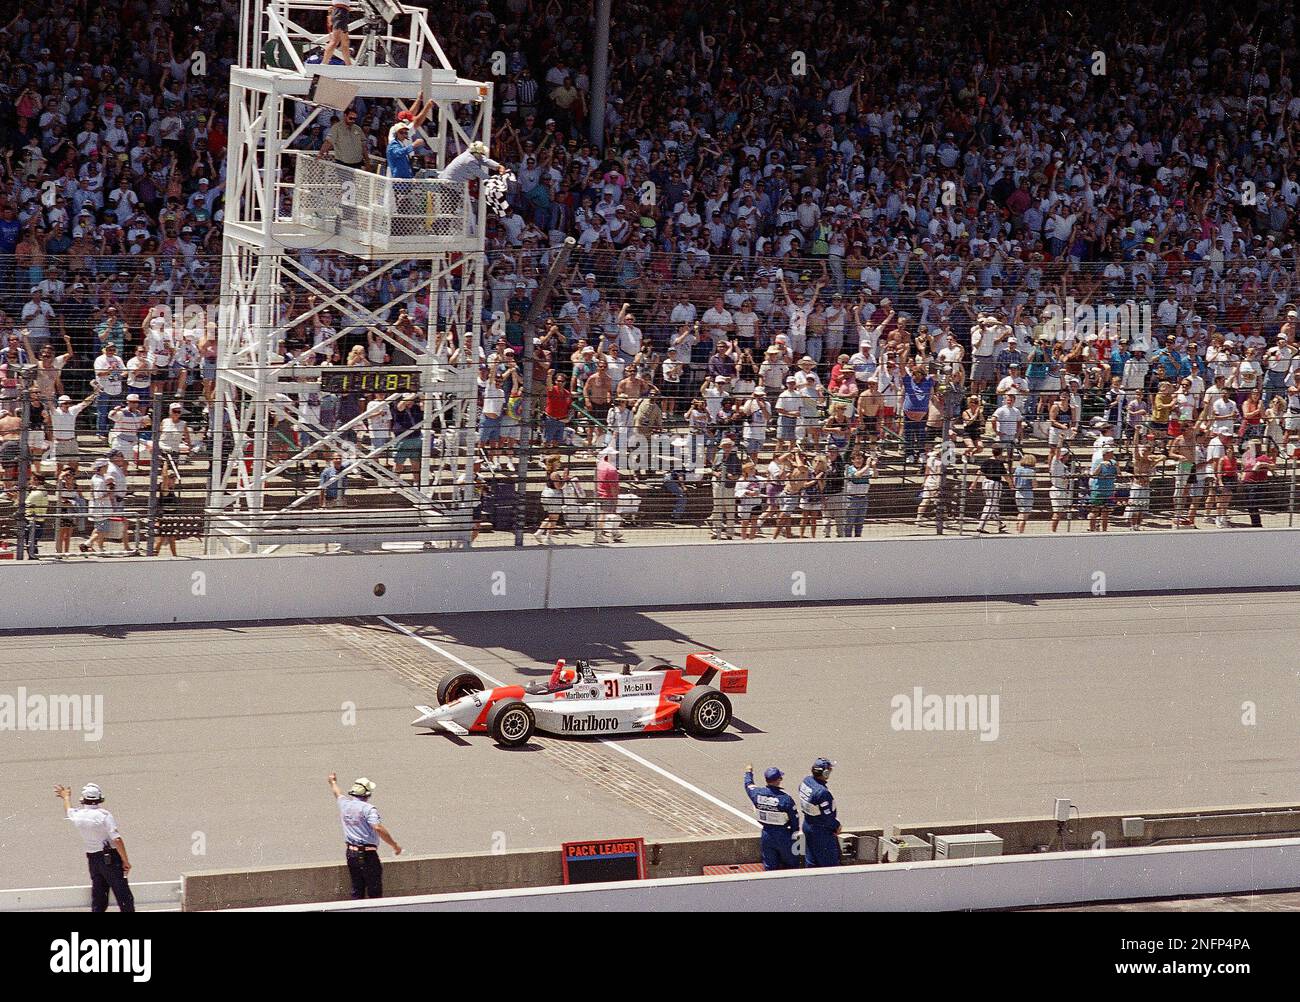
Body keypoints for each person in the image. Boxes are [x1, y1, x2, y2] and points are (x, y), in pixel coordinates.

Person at [55, 782, 134, 912]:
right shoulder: (104, 815)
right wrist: (125, 861)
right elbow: (117, 839)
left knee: (99, 898)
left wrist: (66, 797)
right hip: (110, 859)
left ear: (84, 799)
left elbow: (69, 810)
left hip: (93, 859)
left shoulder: (79, 816)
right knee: (124, 897)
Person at [328, 772, 402, 899]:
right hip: (368, 855)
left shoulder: (345, 804)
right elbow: (377, 827)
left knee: (357, 890)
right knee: (375, 892)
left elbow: (338, 793)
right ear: (368, 794)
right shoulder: (368, 809)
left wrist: (333, 782)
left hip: (351, 854)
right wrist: (395, 846)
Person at [743, 764, 799, 871]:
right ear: (778, 780)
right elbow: (794, 820)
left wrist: (748, 772)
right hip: (784, 835)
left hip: (766, 834)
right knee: (792, 865)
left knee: (770, 867)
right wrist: (793, 833)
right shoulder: (785, 798)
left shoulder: (757, 794)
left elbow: (748, 784)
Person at [798, 758, 841, 868]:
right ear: (825, 773)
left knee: (811, 861)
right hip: (821, 831)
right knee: (829, 864)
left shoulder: (806, 781)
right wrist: (836, 826)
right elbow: (827, 816)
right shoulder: (822, 792)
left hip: (808, 825)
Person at [971, 444, 1011, 534]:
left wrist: (974, 483)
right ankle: (981, 526)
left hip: (986, 482)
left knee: (994, 504)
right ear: (1001, 452)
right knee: (991, 504)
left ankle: (999, 523)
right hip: (994, 484)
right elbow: (1005, 475)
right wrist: (1011, 484)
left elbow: (979, 472)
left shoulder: (987, 461)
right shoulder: (999, 463)